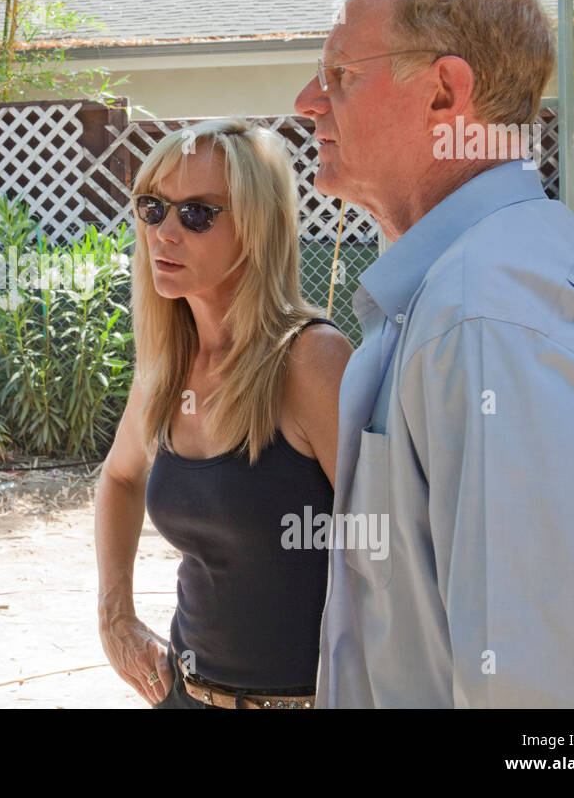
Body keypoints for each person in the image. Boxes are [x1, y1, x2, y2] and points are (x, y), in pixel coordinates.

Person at [293, 0, 574, 707]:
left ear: (446, 91)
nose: (307, 103)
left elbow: (563, 704)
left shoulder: (488, 315)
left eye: (339, 73)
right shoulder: (493, 284)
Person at [95, 117, 353, 709]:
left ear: (258, 230)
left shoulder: (311, 360)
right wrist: (116, 617)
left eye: (197, 214)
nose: (164, 233)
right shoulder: (168, 364)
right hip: (184, 696)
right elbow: (120, 476)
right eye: (153, 208)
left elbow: (391, 548)